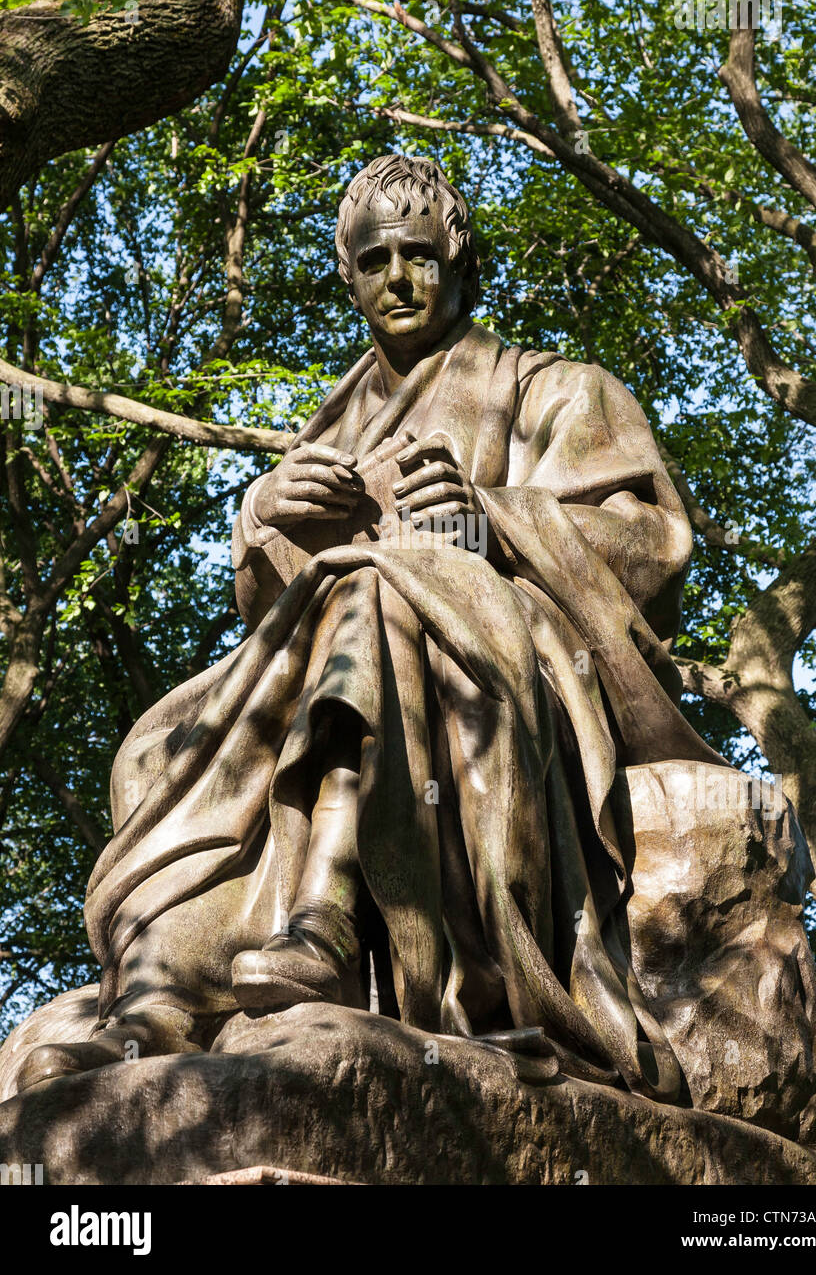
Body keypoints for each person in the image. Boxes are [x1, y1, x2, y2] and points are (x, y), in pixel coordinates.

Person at [18, 154, 729, 1100]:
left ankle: (330, 913)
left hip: (504, 674)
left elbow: (649, 543)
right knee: (170, 743)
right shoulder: (333, 424)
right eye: (376, 258)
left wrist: (489, 517)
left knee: (379, 589)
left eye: (421, 255)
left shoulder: (555, 389)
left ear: (460, 262)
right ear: (347, 274)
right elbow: (272, 607)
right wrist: (265, 516)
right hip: (332, 667)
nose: (399, 277)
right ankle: (159, 1000)